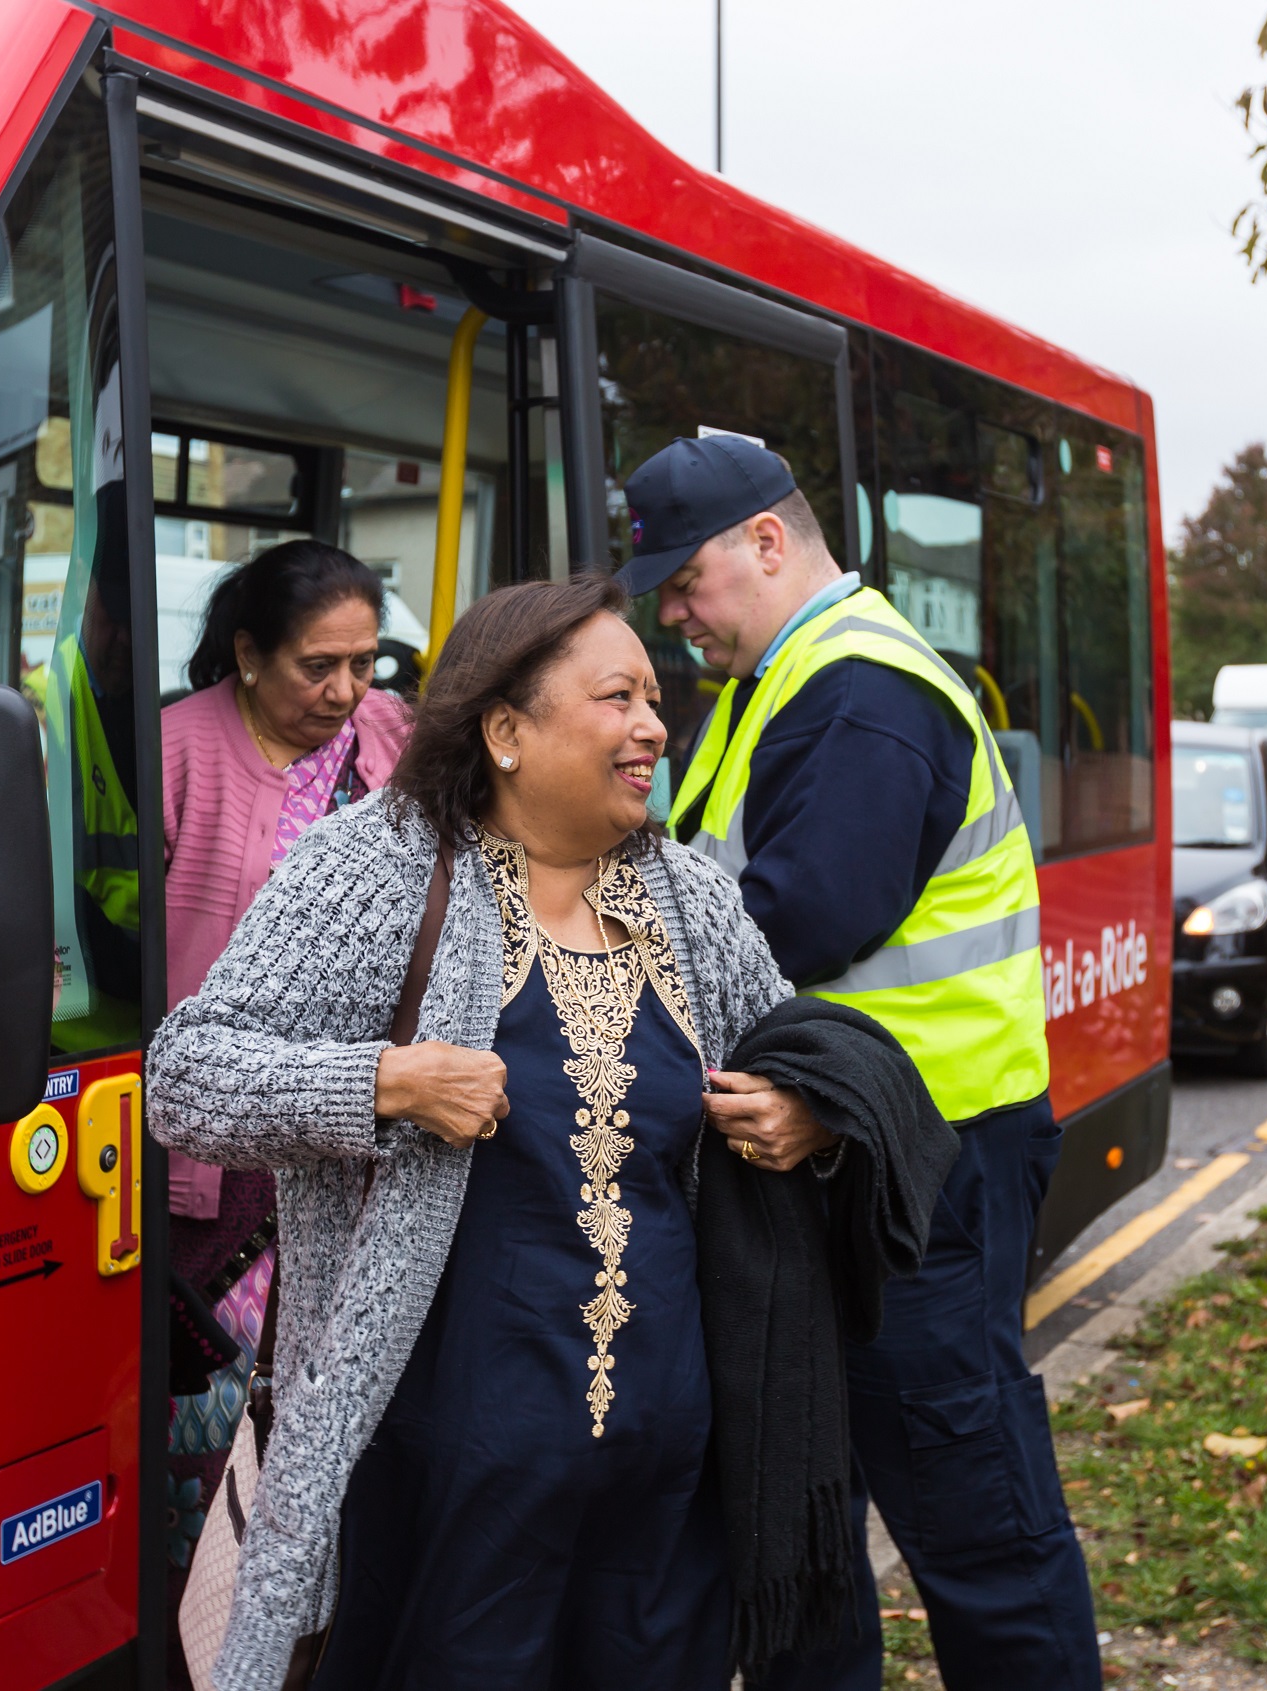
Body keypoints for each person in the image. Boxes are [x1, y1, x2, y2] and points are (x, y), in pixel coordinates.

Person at [148, 576, 928, 1691]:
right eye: (617, 698)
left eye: (656, 700)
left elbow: (793, 1054)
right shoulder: (372, 869)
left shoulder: (686, 899)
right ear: (505, 729)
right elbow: (183, 1080)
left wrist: (805, 1115)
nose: (654, 726)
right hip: (446, 1480)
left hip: (665, 1482)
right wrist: (385, 1080)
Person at [617, 434, 1100, 1690]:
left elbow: (789, 926)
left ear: (767, 542)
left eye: (685, 581)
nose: (672, 612)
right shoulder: (781, 684)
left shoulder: (859, 692)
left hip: (917, 1170)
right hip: (836, 1161)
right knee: (805, 1511)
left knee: (970, 1511)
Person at [151, 523, 413, 1645]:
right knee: (212, 1427)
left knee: (332, 1415)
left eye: (365, 663)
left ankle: (315, 1633)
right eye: (319, 664)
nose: (346, 689)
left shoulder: (390, 734)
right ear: (248, 654)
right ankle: (210, 1636)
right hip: (224, 1149)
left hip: (364, 1126)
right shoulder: (177, 748)